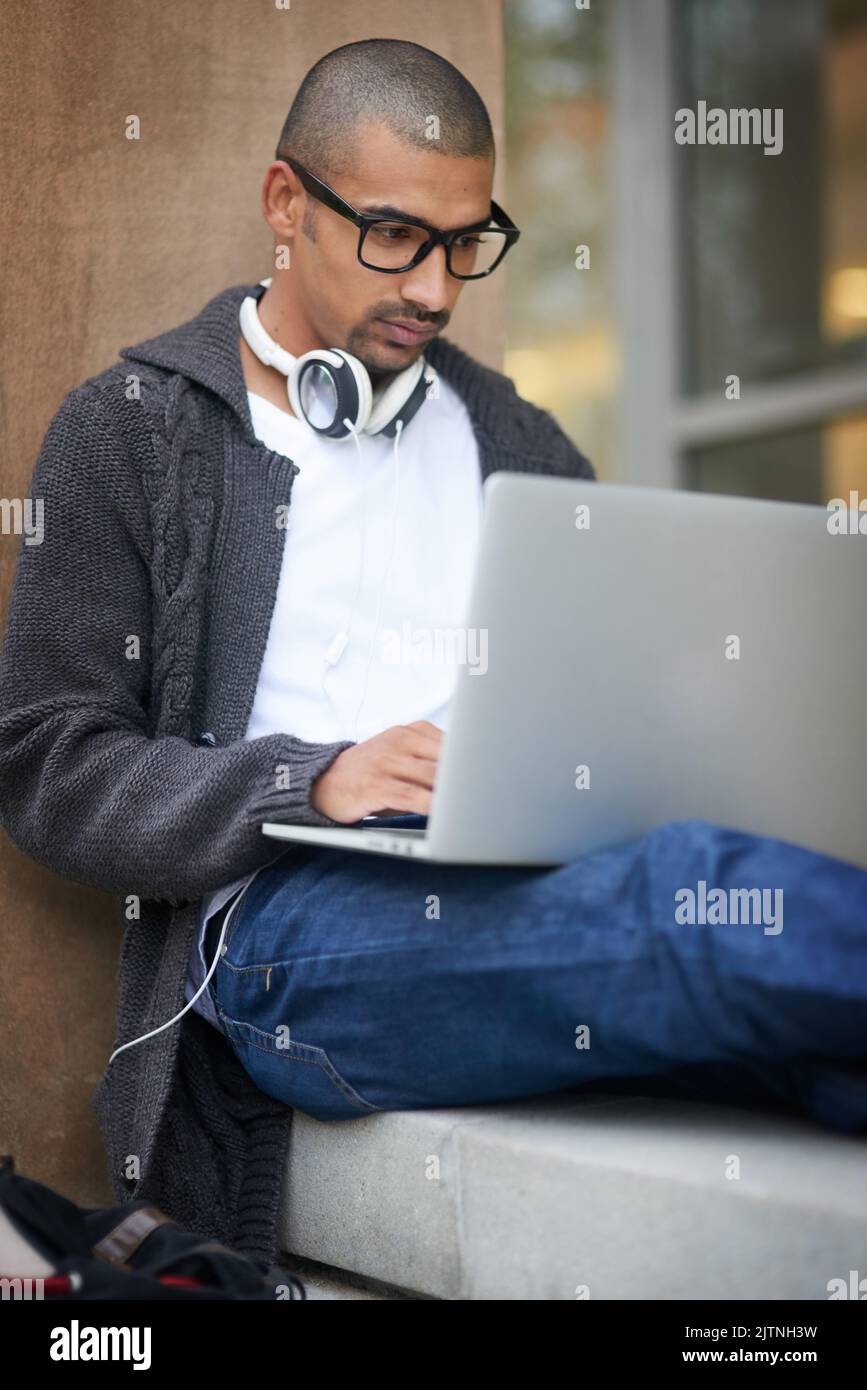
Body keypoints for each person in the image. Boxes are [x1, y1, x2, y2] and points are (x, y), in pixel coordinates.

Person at [0, 40, 864, 1271]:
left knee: (805, 1043)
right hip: (281, 933)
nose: (440, 287)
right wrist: (314, 778)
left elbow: (625, 697)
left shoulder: (517, 438)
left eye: (467, 242)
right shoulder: (132, 431)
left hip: (536, 873)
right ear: (286, 204)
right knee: (698, 905)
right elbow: (45, 763)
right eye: (398, 235)